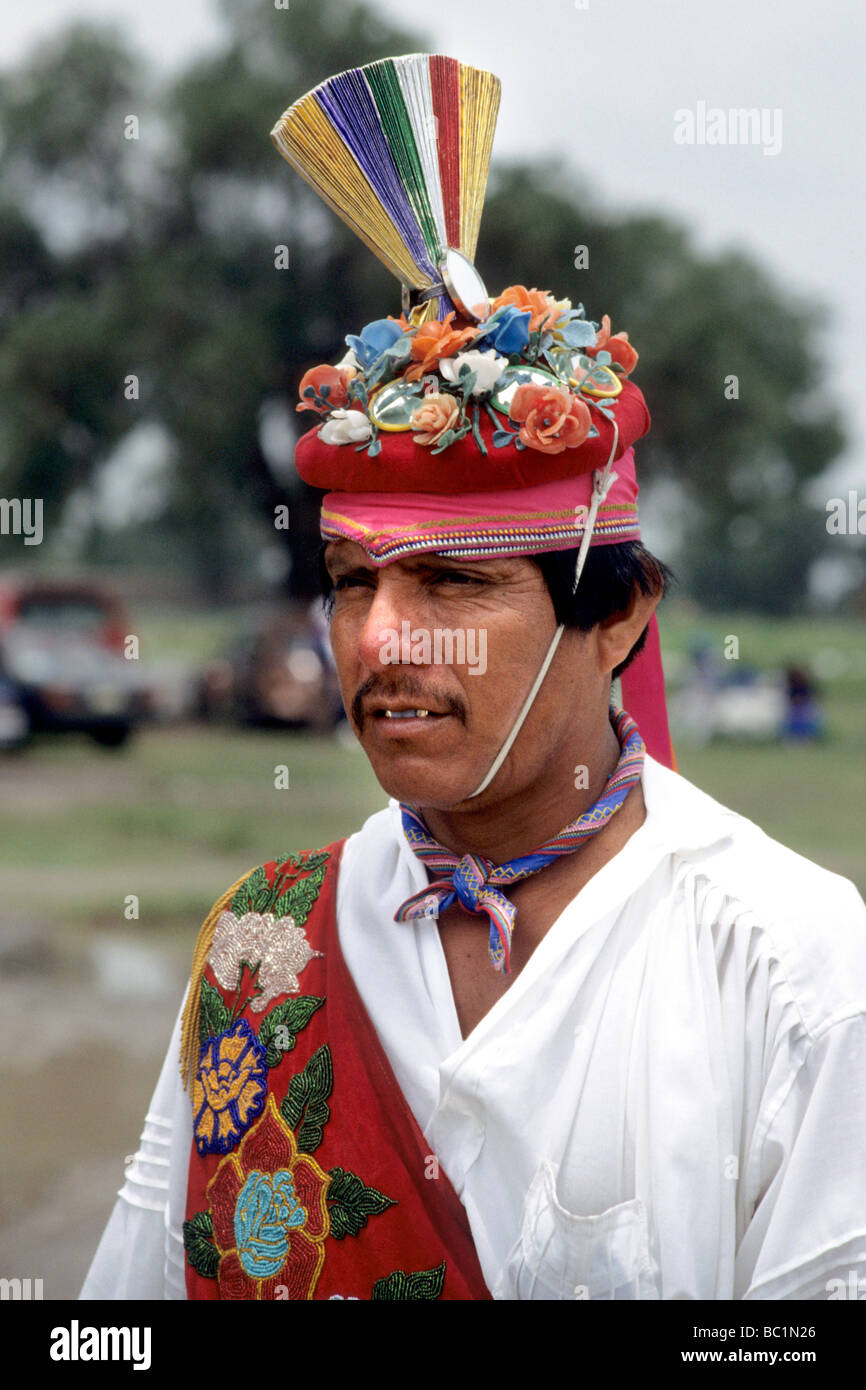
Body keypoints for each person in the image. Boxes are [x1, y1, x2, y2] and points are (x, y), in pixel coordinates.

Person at [82, 54, 866, 1302]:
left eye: (451, 582)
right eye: (349, 581)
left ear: (618, 619)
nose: (382, 638)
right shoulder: (263, 947)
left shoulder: (791, 968)